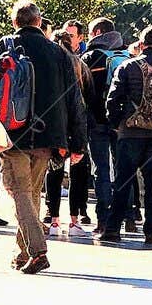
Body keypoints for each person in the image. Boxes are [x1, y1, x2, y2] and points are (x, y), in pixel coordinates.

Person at [0, 0, 87, 275]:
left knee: (18, 191)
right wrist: (78, 142)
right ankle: (22, 253)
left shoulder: (5, 46)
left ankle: (37, 250)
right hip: (49, 135)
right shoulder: (58, 53)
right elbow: (74, 100)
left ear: (14, 22)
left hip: (12, 132)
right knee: (31, 192)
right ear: (39, 22)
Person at [98, 27, 152, 248]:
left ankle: (113, 230)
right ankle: (151, 232)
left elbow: (112, 100)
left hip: (131, 132)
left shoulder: (128, 66)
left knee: (123, 182)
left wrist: (116, 124)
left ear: (142, 44)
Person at [43, 31, 92, 238]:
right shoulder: (80, 65)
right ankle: (74, 220)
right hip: (76, 127)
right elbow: (88, 99)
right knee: (78, 174)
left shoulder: (49, 68)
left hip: (54, 127)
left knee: (53, 172)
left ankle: (53, 220)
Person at [84, 17, 127, 237]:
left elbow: (81, 92)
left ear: (98, 32)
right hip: (121, 123)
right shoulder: (127, 56)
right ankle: (126, 218)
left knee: (100, 169)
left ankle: (103, 219)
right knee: (122, 169)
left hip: (96, 121)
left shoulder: (91, 57)